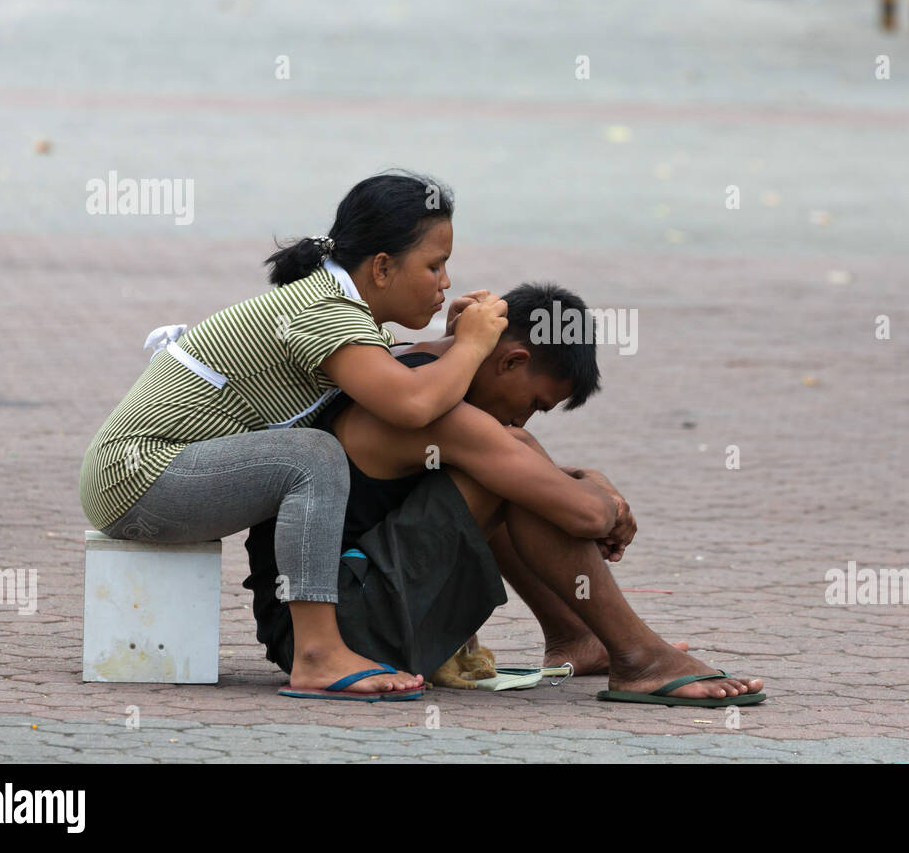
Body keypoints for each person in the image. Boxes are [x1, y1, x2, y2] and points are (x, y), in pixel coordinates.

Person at [78, 170, 509, 701]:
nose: (445, 282)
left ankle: (321, 649)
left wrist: (455, 344)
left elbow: (393, 375)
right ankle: (317, 654)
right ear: (380, 267)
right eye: (434, 265)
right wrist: (471, 347)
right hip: (138, 477)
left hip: (148, 476)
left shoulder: (338, 305)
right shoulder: (321, 309)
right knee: (315, 456)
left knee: (314, 453)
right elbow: (413, 402)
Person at [245, 282, 766, 707]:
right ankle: (640, 659)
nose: (525, 417)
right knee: (514, 471)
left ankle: (577, 638)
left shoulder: (420, 370)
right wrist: (602, 497)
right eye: (536, 402)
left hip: (330, 611)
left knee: (514, 471)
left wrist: (591, 479)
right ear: (512, 361)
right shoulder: (426, 402)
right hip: (333, 634)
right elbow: (583, 514)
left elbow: (558, 487)